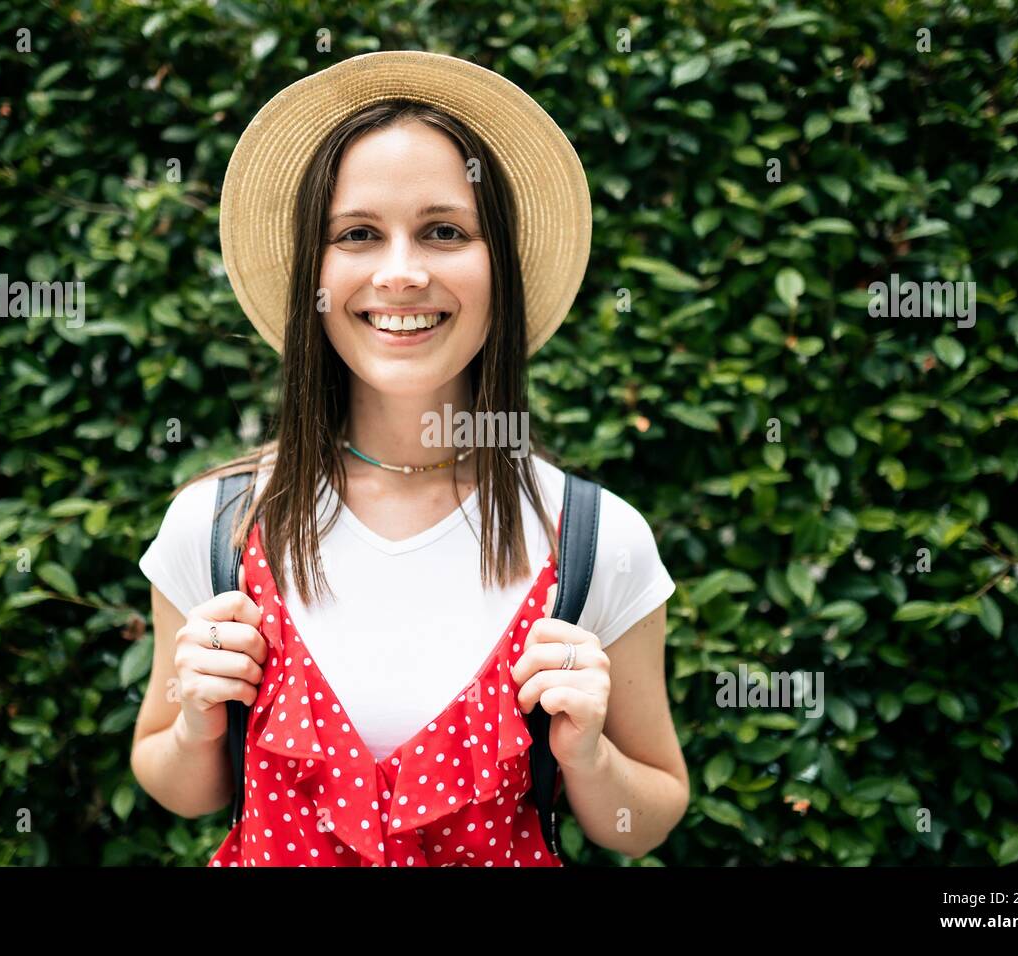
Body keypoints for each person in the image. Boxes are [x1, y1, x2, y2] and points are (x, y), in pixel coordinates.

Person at [130, 51, 689, 866]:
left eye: (444, 231)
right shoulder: (216, 527)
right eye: (357, 234)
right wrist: (195, 722)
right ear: (312, 277)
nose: (402, 273)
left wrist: (589, 756)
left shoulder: (595, 540)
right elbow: (178, 782)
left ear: (499, 265)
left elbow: (652, 816)